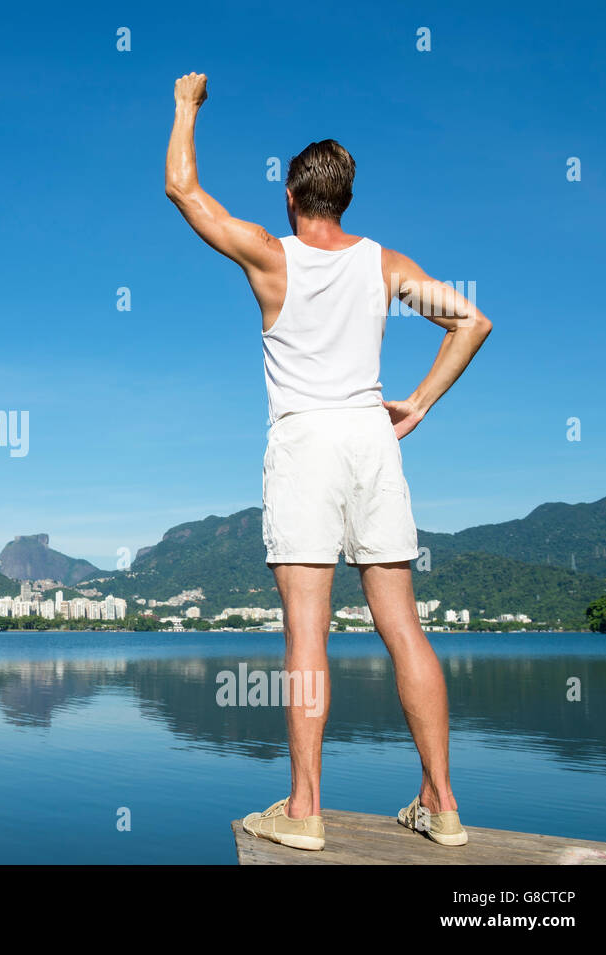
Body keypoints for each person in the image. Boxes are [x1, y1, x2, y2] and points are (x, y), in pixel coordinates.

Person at [164, 71, 492, 851]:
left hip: (306, 440)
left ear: (289, 195)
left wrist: (186, 106)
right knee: (404, 629)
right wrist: (417, 402)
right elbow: (471, 322)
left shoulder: (271, 259)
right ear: (346, 197)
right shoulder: (383, 264)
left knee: (306, 635)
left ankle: (305, 807)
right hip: (371, 440)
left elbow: (183, 187)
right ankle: (442, 805)